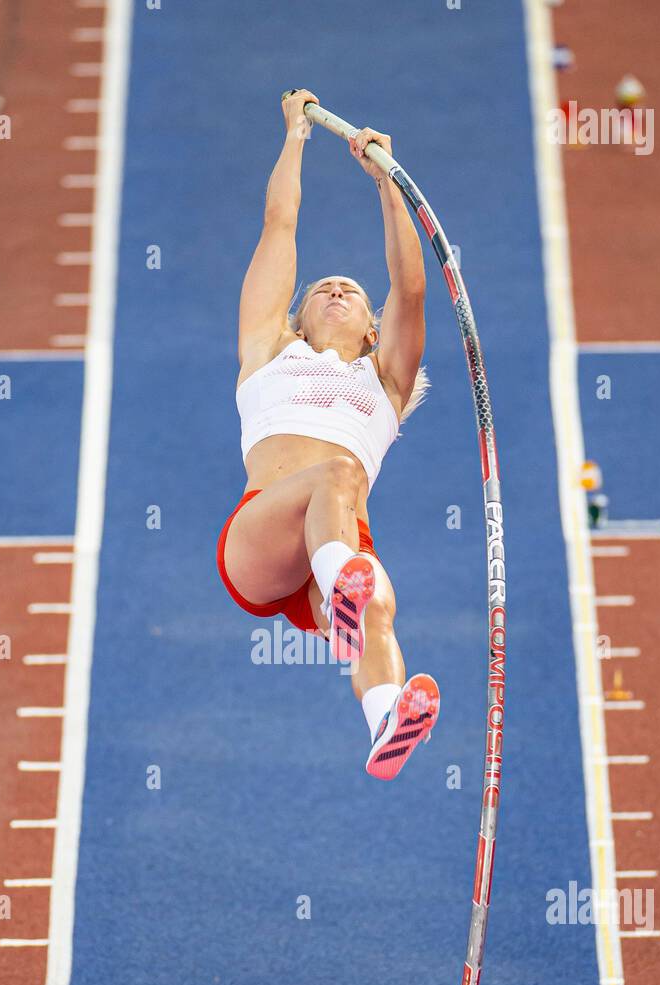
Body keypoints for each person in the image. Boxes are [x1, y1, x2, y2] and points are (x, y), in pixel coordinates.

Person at [216, 89, 440, 780]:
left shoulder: (387, 381)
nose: (335, 291)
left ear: (374, 328)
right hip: (263, 535)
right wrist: (294, 136)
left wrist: (388, 184)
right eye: (321, 289)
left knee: (378, 607)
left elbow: (411, 289)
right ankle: (340, 580)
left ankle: (383, 720)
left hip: (338, 538)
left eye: (349, 289)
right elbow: (278, 226)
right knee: (338, 479)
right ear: (297, 314)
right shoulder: (267, 348)